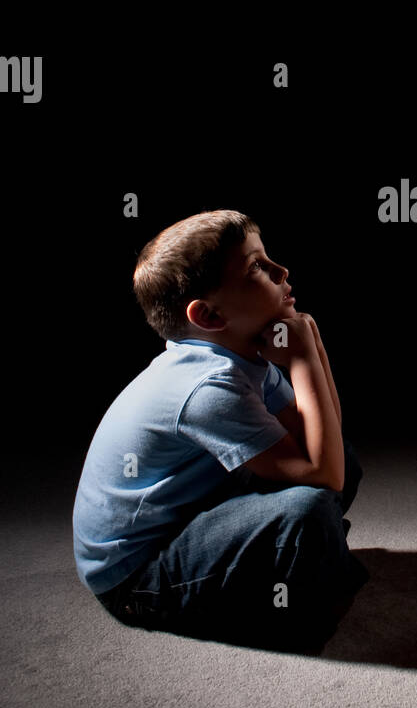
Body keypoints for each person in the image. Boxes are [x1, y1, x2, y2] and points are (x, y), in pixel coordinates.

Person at [72, 209, 368, 652]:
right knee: (309, 507)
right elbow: (324, 476)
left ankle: (300, 557)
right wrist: (304, 358)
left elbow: (326, 449)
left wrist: (313, 343)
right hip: (136, 575)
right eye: (256, 267)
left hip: (189, 513)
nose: (282, 271)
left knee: (340, 461)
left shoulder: (239, 359)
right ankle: (280, 590)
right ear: (209, 315)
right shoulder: (207, 387)